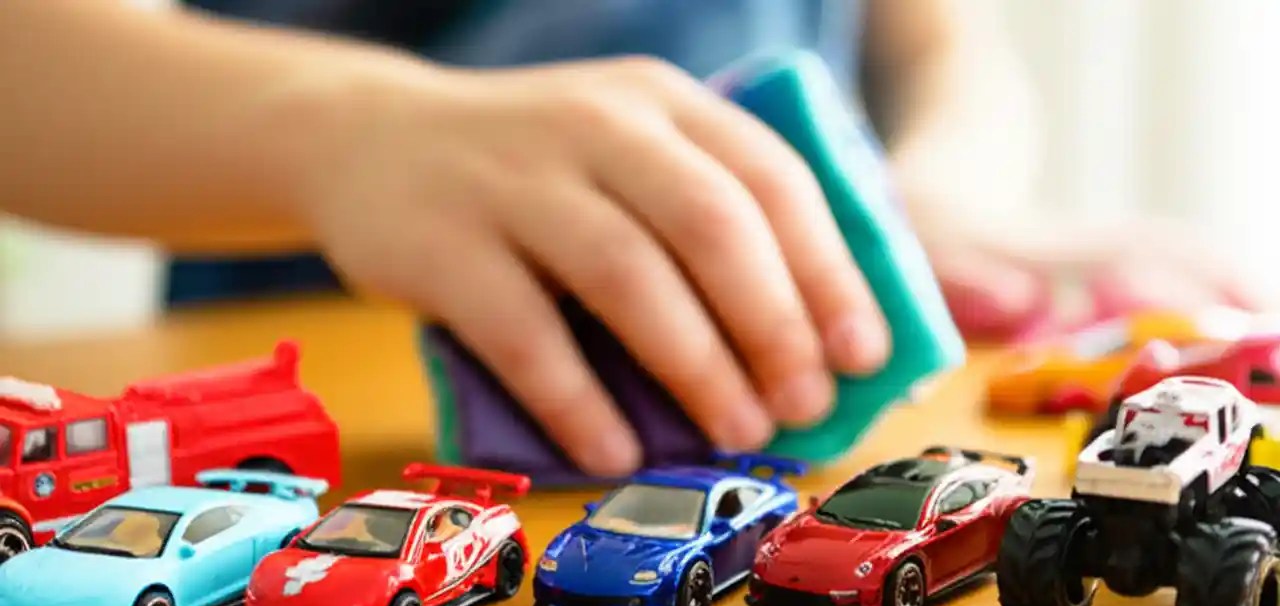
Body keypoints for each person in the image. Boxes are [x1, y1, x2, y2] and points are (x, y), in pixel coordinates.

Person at [0, 1, 1266, 479]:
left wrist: (930, 196)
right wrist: (342, 134)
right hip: (353, 399)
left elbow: (937, 39)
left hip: (806, 419)